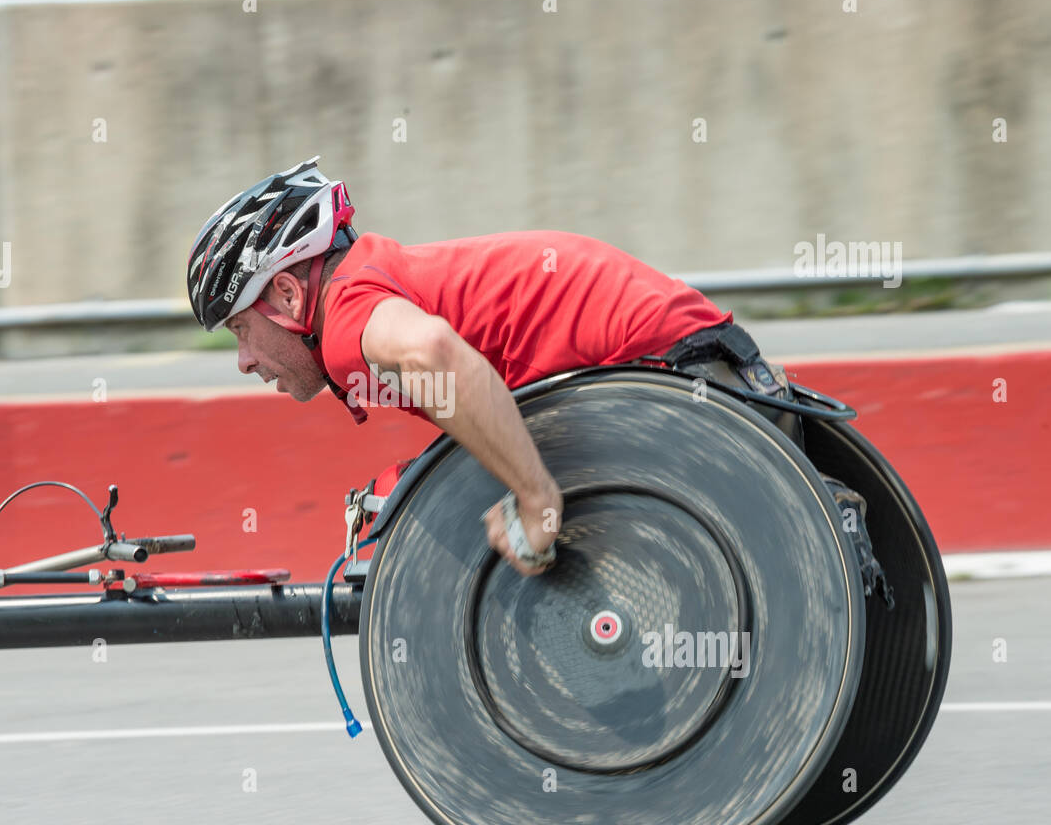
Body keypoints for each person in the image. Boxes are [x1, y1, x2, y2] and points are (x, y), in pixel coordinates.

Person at [186, 158, 802, 578]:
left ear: (290, 297)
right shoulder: (370, 281)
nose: (245, 361)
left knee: (460, 504)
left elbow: (434, 351)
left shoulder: (348, 317)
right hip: (688, 348)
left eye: (241, 329)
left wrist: (537, 501)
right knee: (410, 487)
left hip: (672, 363)